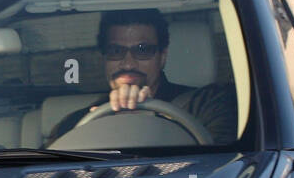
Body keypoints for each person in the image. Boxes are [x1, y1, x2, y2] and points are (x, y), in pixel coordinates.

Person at [47, 8, 236, 145]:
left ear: (162, 56)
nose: (128, 63)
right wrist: (93, 133)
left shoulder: (209, 105)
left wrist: (150, 122)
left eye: (142, 50)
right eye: (115, 50)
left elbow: (226, 167)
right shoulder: (77, 124)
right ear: (104, 58)